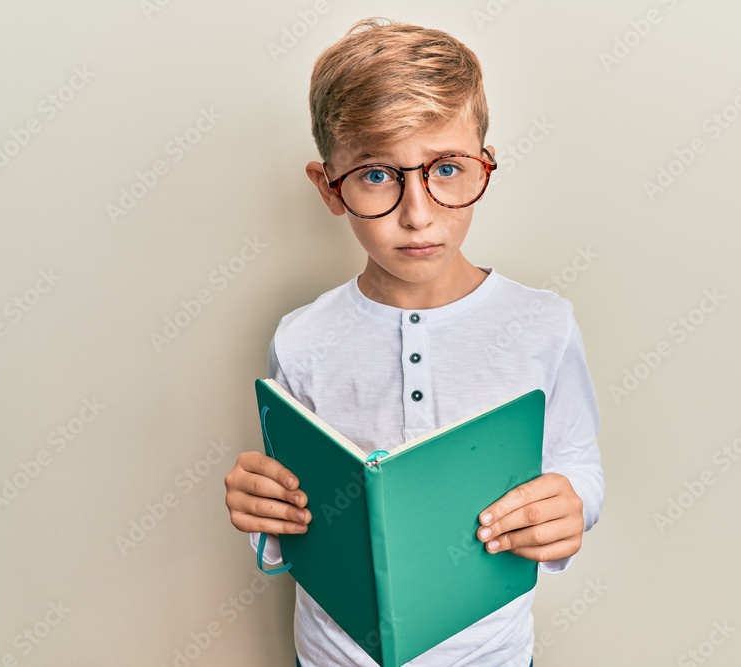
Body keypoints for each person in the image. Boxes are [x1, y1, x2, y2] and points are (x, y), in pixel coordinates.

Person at [224, 17, 605, 667]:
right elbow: (298, 515)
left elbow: (579, 466)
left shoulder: (544, 324)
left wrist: (573, 504)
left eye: (448, 168)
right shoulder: (301, 338)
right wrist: (266, 511)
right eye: (377, 175)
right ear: (329, 187)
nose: (418, 213)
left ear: (483, 165)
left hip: (493, 655)